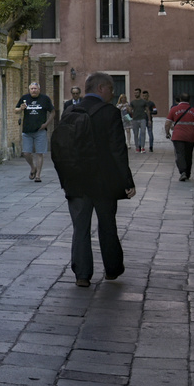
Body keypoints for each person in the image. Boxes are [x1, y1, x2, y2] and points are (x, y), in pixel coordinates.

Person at [52, 71, 135, 287]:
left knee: (80, 228)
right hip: (103, 181)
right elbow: (118, 151)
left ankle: (82, 274)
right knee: (107, 225)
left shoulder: (70, 110)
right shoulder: (110, 113)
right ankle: (112, 269)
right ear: (101, 88)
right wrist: (127, 181)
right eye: (110, 88)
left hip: (75, 179)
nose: (112, 93)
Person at [14, 81, 54, 182]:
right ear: (29, 90)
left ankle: (38, 175)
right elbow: (15, 110)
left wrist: (46, 124)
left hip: (40, 130)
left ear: (39, 90)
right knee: (26, 153)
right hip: (27, 130)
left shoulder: (45, 99)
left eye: (35, 88)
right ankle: (33, 167)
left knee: (39, 153)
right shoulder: (25, 98)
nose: (33, 90)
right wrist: (20, 109)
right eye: (31, 89)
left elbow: (53, 112)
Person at [165, 92, 194, 180]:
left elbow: (167, 123)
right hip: (190, 137)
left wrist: (167, 133)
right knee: (188, 155)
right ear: (189, 100)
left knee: (180, 154)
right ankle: (187, 173)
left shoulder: (174, 110)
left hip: (177, 136)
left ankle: (182, 171)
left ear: (180, 99)